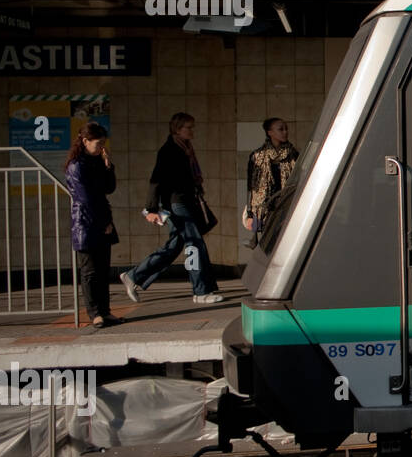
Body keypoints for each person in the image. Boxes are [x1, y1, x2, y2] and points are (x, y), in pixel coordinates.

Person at [120, 113, 222, 305]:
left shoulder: (185, 149)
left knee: (174, 246)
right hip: (176, 204)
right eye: (188, 127)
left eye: (192, 127)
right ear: (177, 129)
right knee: (194, 244)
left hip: (186, 201)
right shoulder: (168, 151)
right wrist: (150, 209)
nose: (192, 131)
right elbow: (155, 180)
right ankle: (201, 291)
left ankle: (134, 276)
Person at [65, 123, 122, 328]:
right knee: (89, 271)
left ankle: (105, 311)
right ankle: (95, 313)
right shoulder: (76, 165)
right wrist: (102, 224)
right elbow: (85, 199)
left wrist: (108, 166)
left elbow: (109, 188)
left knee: (103, 269)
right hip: (86, 223)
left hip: (101, 220)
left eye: (103, 144)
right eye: (98, 144)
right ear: (85, 141)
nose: (101, 148)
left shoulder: (97, 161)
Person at [243, 118, 299, 247]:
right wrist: (251, 213)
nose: (285, 132)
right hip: (265, 208)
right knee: (267, 246)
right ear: (270, 132)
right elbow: (251, 187)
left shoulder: (293, 154)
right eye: (280, 129)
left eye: (286, 129)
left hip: (286, 205)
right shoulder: (257, 156)